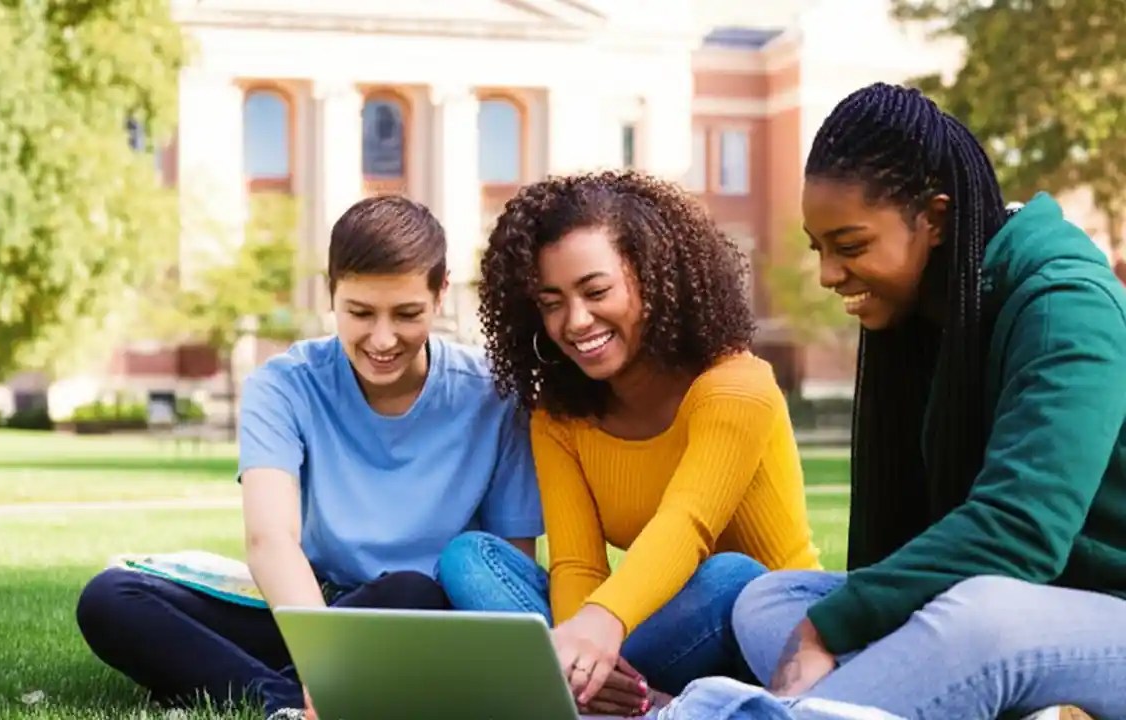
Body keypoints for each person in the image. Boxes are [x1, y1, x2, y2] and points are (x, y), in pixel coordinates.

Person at [731, 82, 1126, 719]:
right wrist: (823, 621)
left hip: (1106, 610)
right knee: (768, 602)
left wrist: (828, 631)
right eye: (820, 249)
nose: (829, 274)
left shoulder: (1065, 305)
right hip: (1019, 605)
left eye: (851, 246)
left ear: (936, 218)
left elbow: (1021, 531)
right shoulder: (932, 311)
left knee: (980, 622)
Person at [75, 195, 545, 719]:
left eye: (407, 314)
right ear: (332, 294)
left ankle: (247, 681)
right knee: (111, 598)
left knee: (412, 590)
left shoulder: (494, 396)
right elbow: (270, 539)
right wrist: (323, 663)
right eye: (360, 313)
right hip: (310, 608)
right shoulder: (284, 385)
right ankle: (286, 697)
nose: (383, 339)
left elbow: (509, 565)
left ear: (440, 294)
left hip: (424, 616)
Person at [436, 170, 822, 716]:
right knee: (470, 557)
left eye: (596, 292)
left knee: (731, 576)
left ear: (655, 278)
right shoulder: (560, 416)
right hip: (642, 638)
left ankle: (577, 695)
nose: (575, 321)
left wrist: (601, 626)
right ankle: (608, 700)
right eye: (551, 303)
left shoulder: (738, 386)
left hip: (757, 628)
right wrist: (581, 651)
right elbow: (575, 565)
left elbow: (685, 527)